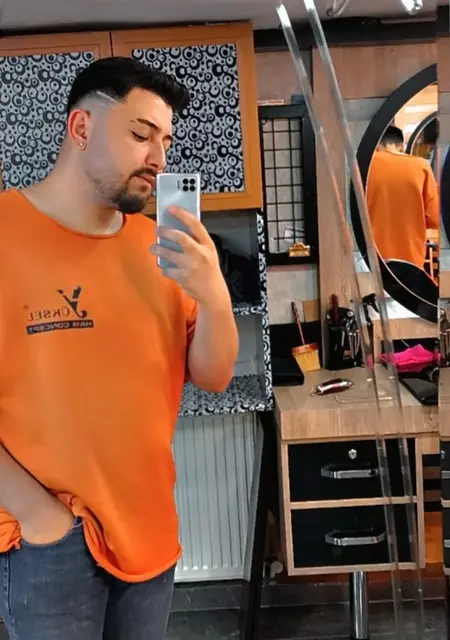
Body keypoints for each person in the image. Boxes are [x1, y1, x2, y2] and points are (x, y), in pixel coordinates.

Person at [0, 56, 239, 639]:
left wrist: (215, 296)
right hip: (46, 543)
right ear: (81, 128)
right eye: (140, 134)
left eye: (165, 142)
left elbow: (213, 375)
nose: (158, 158)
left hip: (149, 531)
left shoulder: (161, 248)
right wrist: (38, 516)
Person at [366, 125, 439, 269]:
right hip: (410, 257)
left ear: (377, 143)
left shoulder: (363, 167)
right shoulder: (420, 166)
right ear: (400, 145)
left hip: (370, 256)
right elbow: (434, 218)